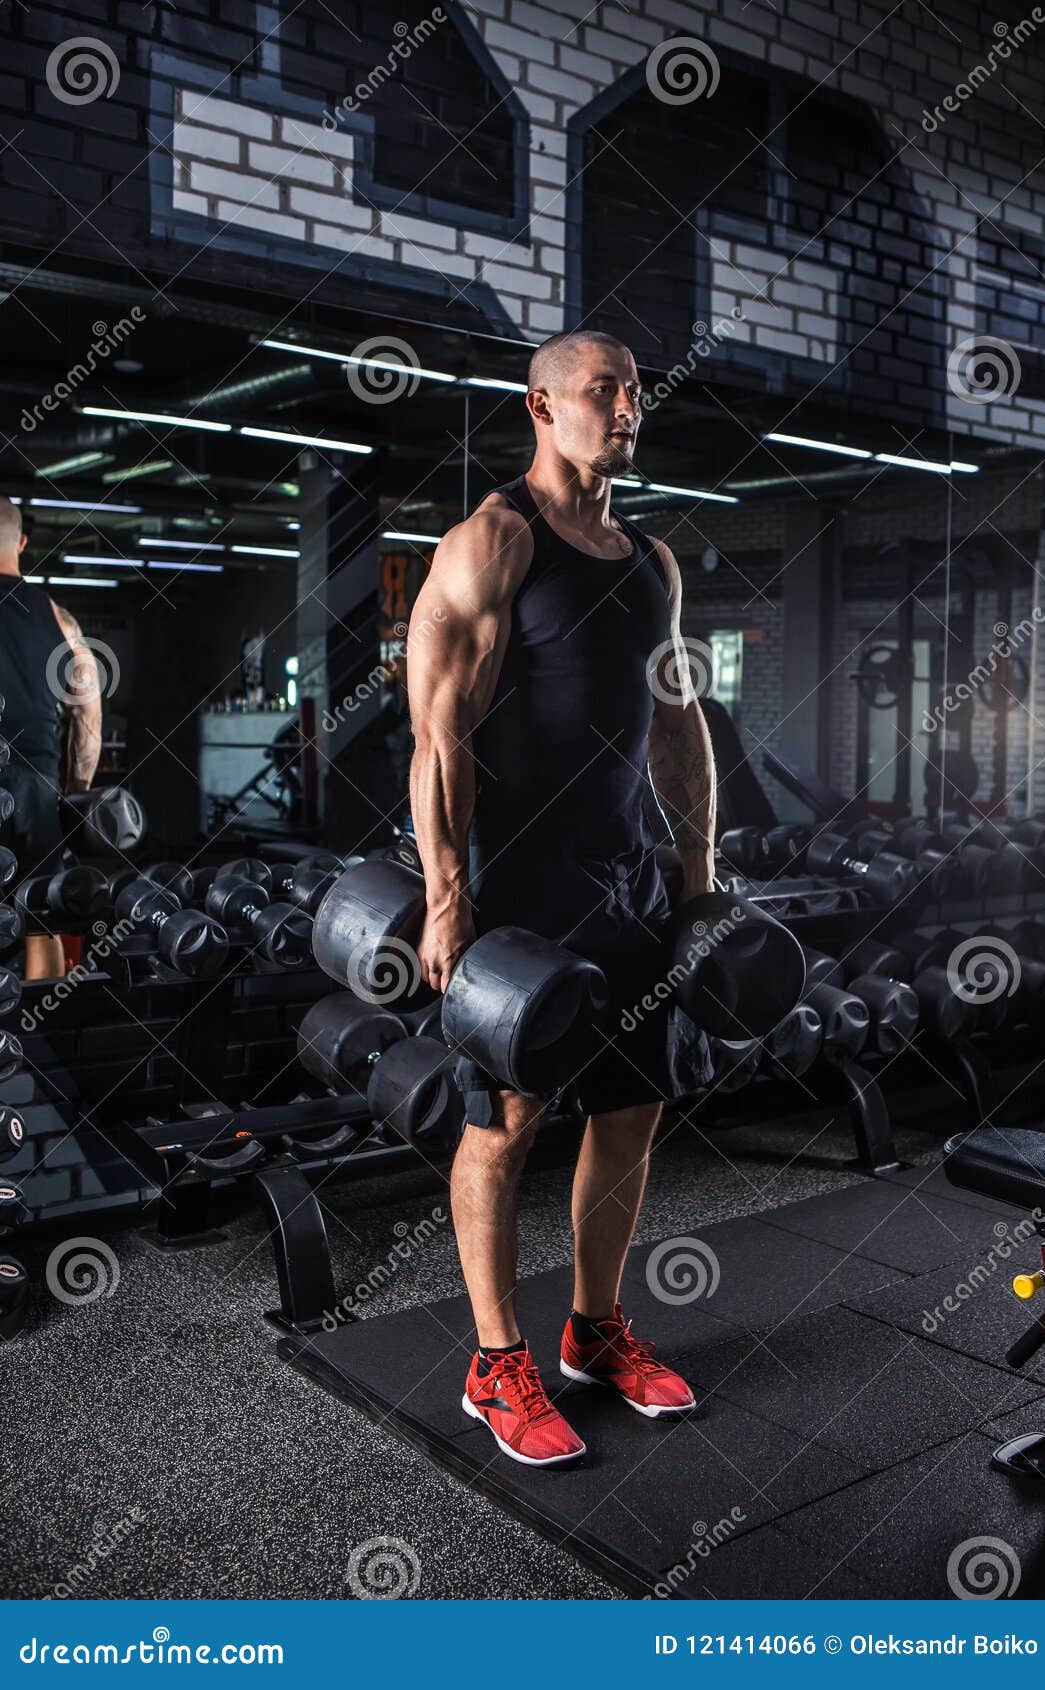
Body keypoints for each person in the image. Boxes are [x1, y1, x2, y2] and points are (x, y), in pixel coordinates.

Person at [406, 330, 717, 1467]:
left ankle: (593, 1332)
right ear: (541, 405)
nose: (628, 406)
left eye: (633, 390)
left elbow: (679, 724)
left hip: (626, 873)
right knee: (506, 1120)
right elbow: (437, 736)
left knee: (630, 1106)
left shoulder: (651, 561)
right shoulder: (493, 543)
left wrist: (699, 879)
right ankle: (495, 1363)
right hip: (520, 885)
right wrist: (447, 896)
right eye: (604, 390)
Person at [0, 497, 102, 979]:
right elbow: (88, 713)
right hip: (36, 789)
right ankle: (44, 1030)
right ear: (21, 542)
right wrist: (75, 793)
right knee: (41, 916)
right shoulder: (57, 617)